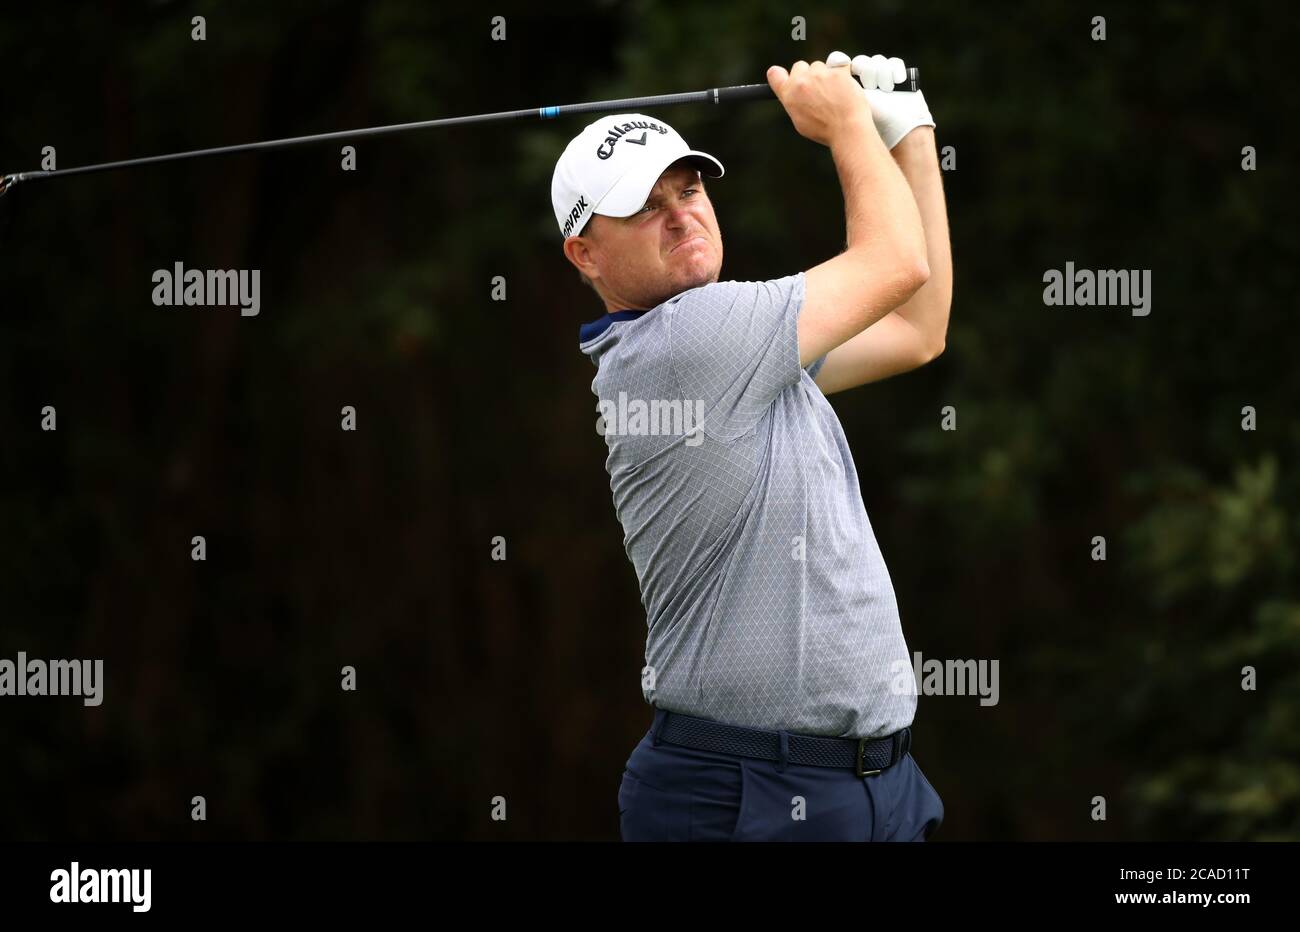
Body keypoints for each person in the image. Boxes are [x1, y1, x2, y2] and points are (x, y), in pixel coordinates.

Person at [551, 52, 952, 841]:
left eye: (689, 188)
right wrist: (846, 126)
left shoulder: (744, 355)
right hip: (749, 793)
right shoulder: (686, 342)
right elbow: (897, 263)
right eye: (643, 206)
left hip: (873, 783)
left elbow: (917, 331)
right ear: (585, 255)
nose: (681, 214)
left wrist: (907, 127)